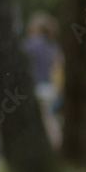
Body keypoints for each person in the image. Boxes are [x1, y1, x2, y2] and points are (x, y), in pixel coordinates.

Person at [21, 10, 62, 149]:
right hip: (51, 88)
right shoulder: (53, 45)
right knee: (49, 118)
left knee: (46, 121)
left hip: (37, 87)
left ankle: (55, 147)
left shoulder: (31, 44)